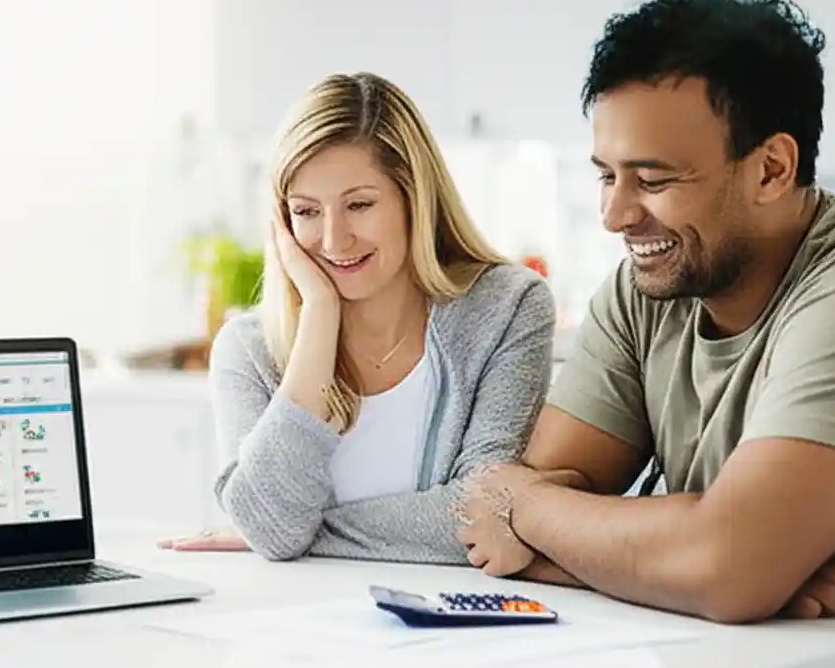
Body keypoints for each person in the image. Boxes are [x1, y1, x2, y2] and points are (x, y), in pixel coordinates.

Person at [456, 0, 835, 668]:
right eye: (606, 176)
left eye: (653, 179)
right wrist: (729, 563)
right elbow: (495, 526)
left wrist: (724, 562)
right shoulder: (646, 289)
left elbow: (718, 567)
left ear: (771, 169)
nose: (615, 215)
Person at [159, 72, 554, 563]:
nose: (333, 240)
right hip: (302, 610)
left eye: (359, 205)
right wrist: (318, 316)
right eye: (307, 212)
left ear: (415, 199)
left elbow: (483, 516)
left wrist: (304, 533)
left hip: (447, 610)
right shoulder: (248, 349)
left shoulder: (507, 308)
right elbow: (274, 532)